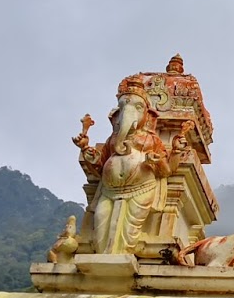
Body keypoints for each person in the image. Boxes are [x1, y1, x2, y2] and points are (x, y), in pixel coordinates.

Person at [75, 78, 188, 254]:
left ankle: (123, 258)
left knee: (129, 233)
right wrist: (86, 151)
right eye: (123, 108)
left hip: (141, 190)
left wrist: (172, 154)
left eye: (137, 108)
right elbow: (99, 169)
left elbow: (166, 171)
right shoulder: (113, 140)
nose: (127, 113)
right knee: (101, 225)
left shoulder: (152, 140)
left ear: (147, 116)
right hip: (109, 191)